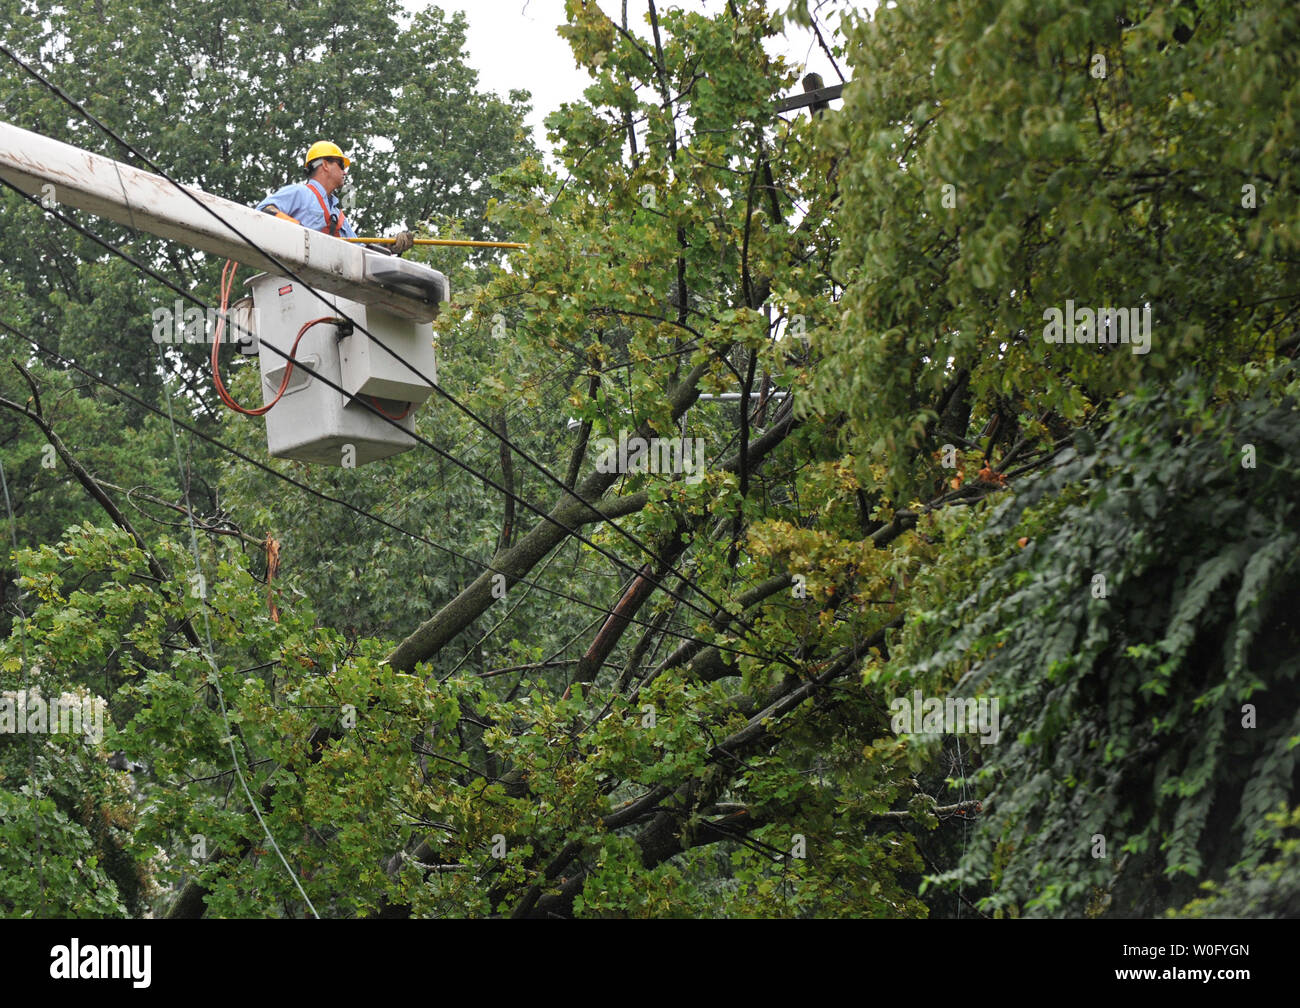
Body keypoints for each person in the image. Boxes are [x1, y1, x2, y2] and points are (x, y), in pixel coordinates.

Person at [256, 141, 415, 255]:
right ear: (325, 164)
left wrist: (389, 245)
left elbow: (359, 250)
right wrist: (298, 231)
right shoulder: (300, 193)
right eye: (341, 165)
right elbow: (263, 211)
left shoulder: (337, 215)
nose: (345, 172)